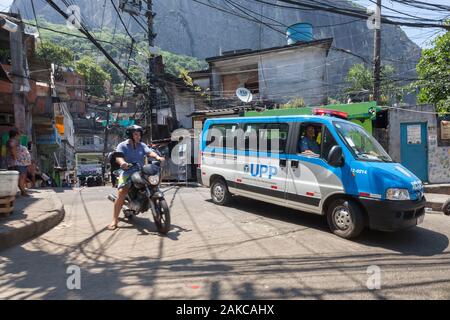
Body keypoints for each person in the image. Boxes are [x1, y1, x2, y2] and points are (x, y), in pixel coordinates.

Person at [108, 125, 165, 230]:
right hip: (126, 171)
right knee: (122, 192)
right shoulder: (122, 145)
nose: (138, 136)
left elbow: (149, 152)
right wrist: (123, 163)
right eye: (136, 134)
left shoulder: (142, 145)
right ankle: (114, 220)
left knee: (152, 183)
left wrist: (157, 157)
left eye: (139, 134)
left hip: (140, 171)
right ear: (130, 135)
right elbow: (118, 157)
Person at [7, 129, 31, 196]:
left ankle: (22, 191)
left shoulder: (14, 140)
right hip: (18, 163)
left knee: (20, 177)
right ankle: (23, 191)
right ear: (16, 134)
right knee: (21, 177)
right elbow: (12, 146)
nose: (20, 136)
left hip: (20, 163)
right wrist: (15, 156)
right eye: (19, 134)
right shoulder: (13, 140)